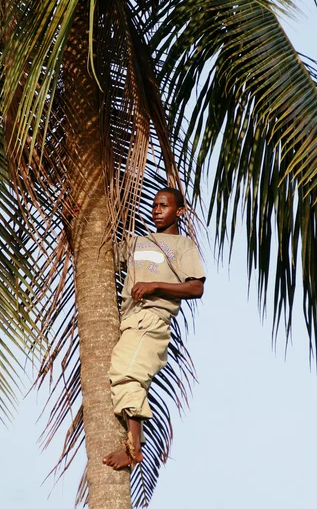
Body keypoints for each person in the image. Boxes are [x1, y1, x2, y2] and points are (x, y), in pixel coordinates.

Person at [102, 187, 205, 470]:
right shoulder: (138, 242)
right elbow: (101, 261)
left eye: (164, 206)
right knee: (124, 374)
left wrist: (155, 285)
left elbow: (196, 287)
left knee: (126, 372)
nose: (157, 210)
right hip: (130, 322)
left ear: (179, 211)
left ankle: (134, 449)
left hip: (152, 321)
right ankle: (134, 444)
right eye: (155, 205)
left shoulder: (183, 246)